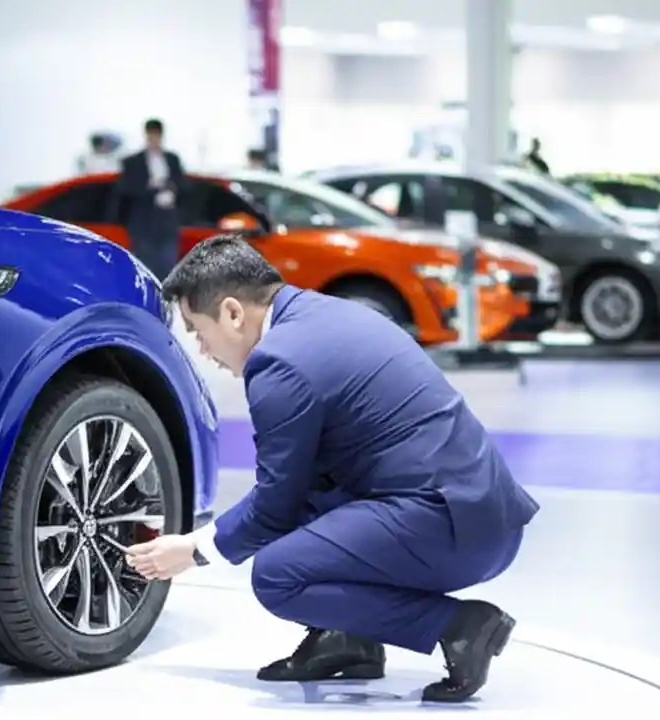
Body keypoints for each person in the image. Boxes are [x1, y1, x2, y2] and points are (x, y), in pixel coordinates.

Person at [126, 235, 539, 703]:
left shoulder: (278, 363)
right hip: (479, 512)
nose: (203, 350)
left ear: (233, 313)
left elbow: (272, 508)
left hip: (452, 527)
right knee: (308, 507)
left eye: (198, 331)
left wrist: (194, 549)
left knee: (279, 574)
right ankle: (348, 640)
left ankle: (460, 626)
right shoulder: (328, 312)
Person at [115, 118, 186, 279]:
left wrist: (171, 189)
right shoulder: (133, 162)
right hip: (143, 227)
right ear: (146, 135)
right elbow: (125, 189)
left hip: (168, 224)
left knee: (168, 271)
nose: (154, 139)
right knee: (145, 272)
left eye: (157, 135)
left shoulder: (172, 159)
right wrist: (151, 189)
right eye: (151, 135)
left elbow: (185, 186)